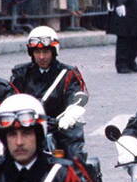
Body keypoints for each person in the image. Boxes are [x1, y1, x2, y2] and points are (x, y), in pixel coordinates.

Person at [9, 26, 89, 160]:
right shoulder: (20, 73)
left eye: (46, 51)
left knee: (75, 159)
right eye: (37, 52)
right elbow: (11, 98)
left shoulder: (68, 73)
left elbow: (76, 94)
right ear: (31, 52)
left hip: (60, 127)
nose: (41, 56)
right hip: (27, 126)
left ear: (54, 51)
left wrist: (70, 113)